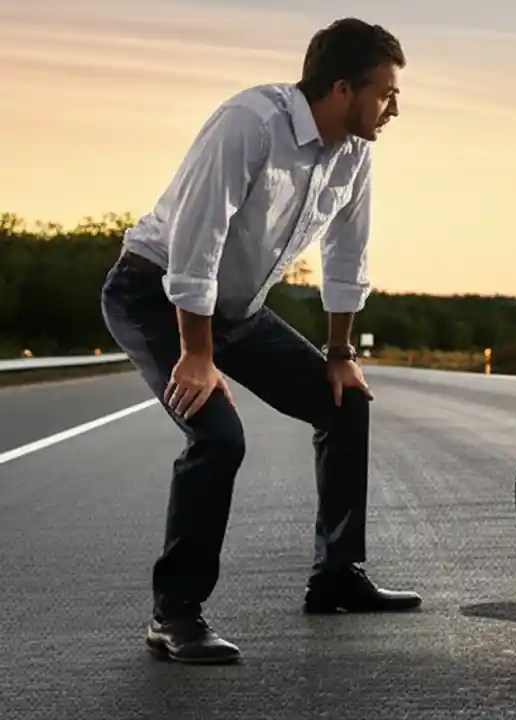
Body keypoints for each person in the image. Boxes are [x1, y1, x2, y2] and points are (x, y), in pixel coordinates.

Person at [100, 17, 421, 666]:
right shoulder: (249, 123)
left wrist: (339, 356)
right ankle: (176, 615)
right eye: (385, 93)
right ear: (341, 88)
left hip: (239, 309)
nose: (394, 109)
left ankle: (336, 577)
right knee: (218, 437)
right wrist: (197, 354)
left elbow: (346, 256)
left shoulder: (354, 154)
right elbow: (197, 238)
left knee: (344, 406)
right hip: (156, 294)